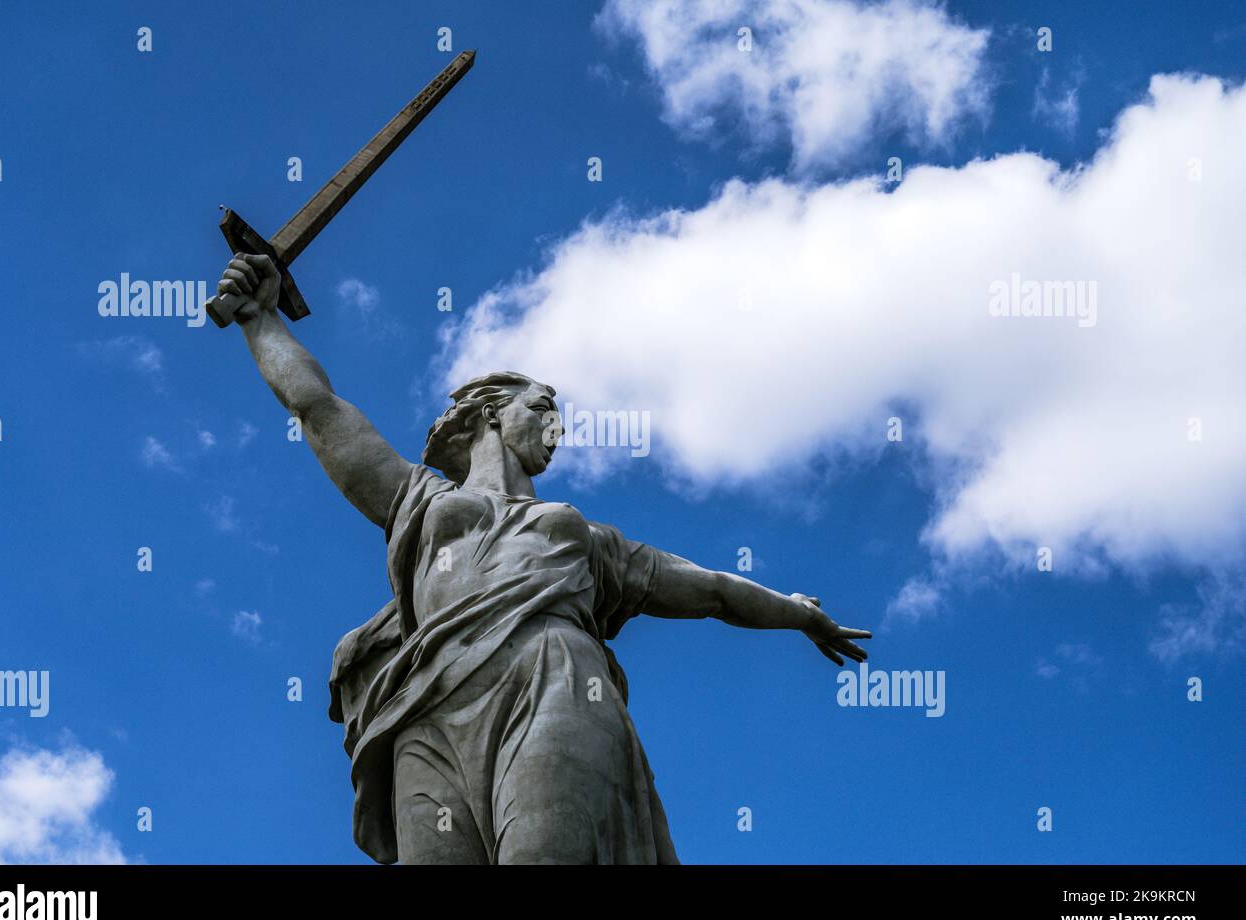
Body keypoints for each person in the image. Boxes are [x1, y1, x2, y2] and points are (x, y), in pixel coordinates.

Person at [218, 252, 871, 864]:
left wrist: (796, 612)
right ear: (493, 413)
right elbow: (319, 410)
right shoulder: (417, 502)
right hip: (424, 709)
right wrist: (259, 318)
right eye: (543, 411)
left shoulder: (584, 539)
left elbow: (710, 590)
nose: (556, 431)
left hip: (552, 677)